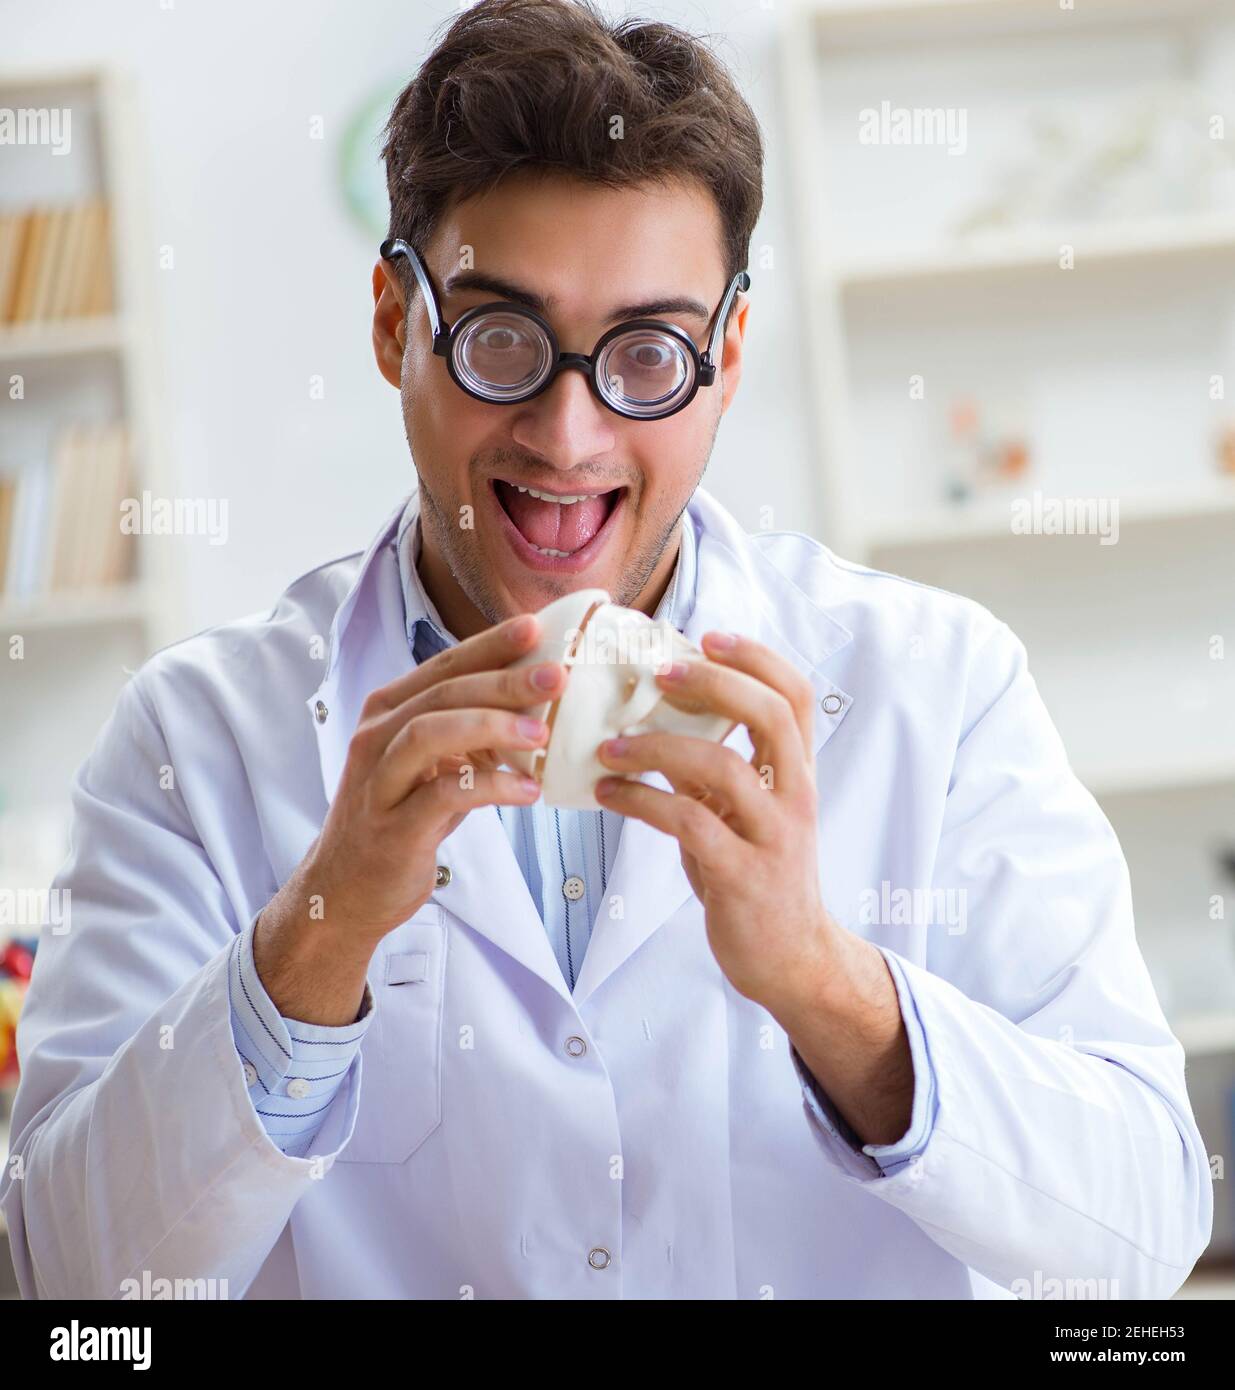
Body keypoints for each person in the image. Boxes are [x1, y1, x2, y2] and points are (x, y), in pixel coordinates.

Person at [1, 0, 1211, 1299]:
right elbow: (67, 1284)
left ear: (728, 352)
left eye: (647, 350)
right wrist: (322, 924)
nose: (568, 437)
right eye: (501, 337)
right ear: (395, 324)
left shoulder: (940, 687)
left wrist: (825, 982)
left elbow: (1142, 1232)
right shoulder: (199, 739)